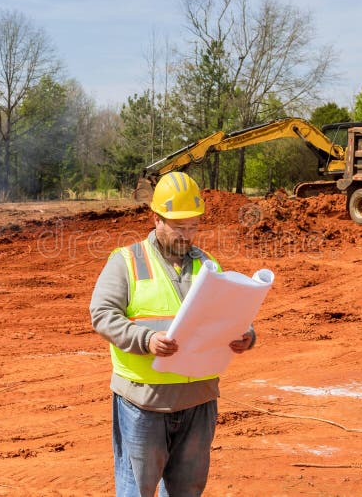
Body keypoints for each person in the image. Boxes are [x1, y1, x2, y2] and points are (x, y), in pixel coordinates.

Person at [90, 171, 255, 497]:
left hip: (199, 402)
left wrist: (245, 334)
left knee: (188, 492)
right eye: (179, 227)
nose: (187, 235)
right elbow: (103, 315)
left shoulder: (208, 265)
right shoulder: (127, 261)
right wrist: (146, 340)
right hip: (144, 404)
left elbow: (229, 314)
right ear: (156, 219)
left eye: (193, 226)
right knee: (135, 491)